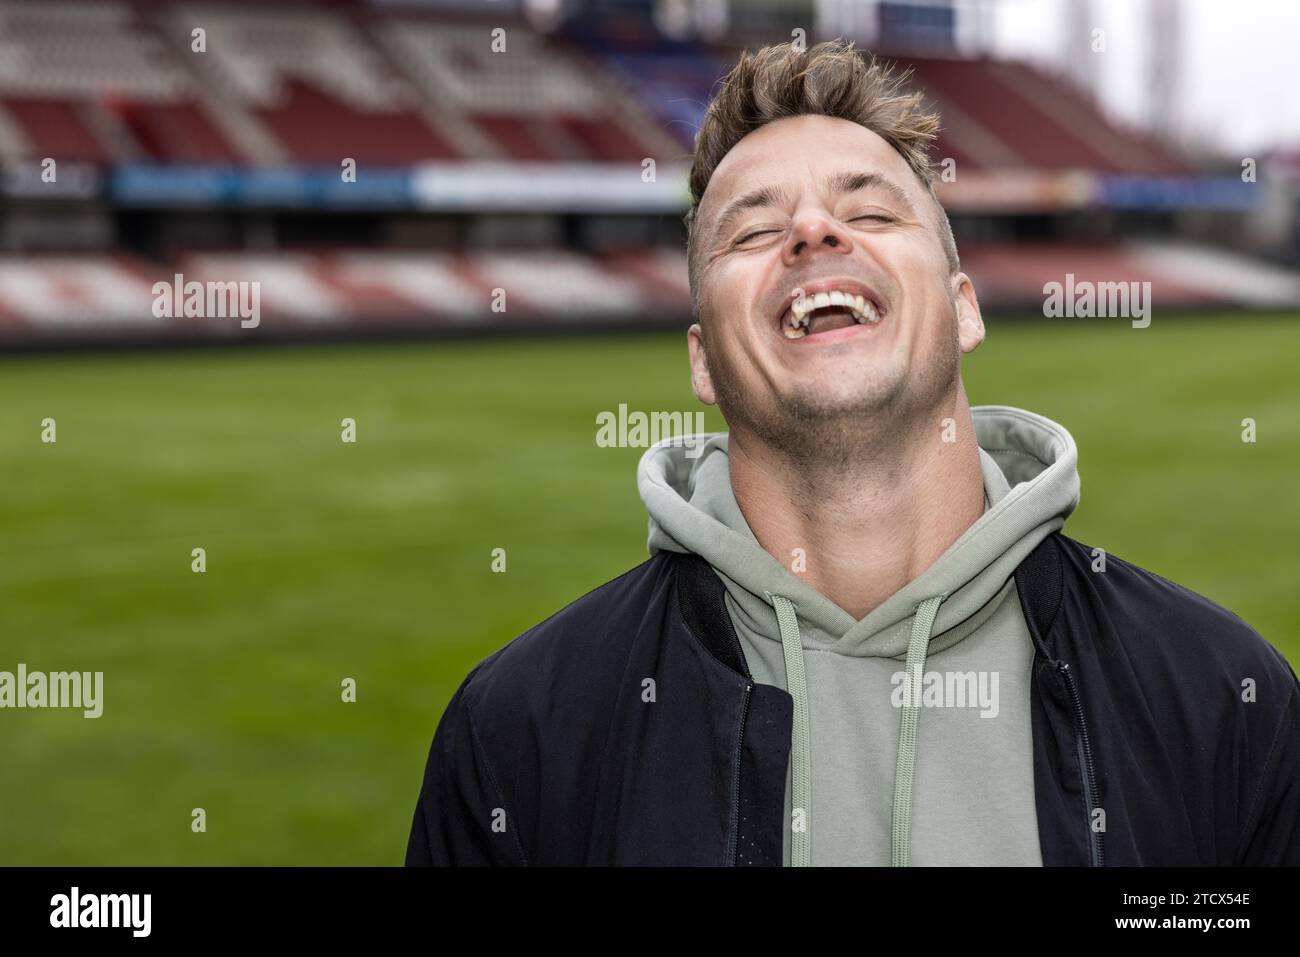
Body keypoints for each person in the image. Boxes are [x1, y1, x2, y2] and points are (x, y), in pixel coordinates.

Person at [405, 39, 1299, 866]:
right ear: (703, 360)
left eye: (868, 210)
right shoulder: (519, 734)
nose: (813, 234)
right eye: (753, 233)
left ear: (966, 307)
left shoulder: (1227, 700)